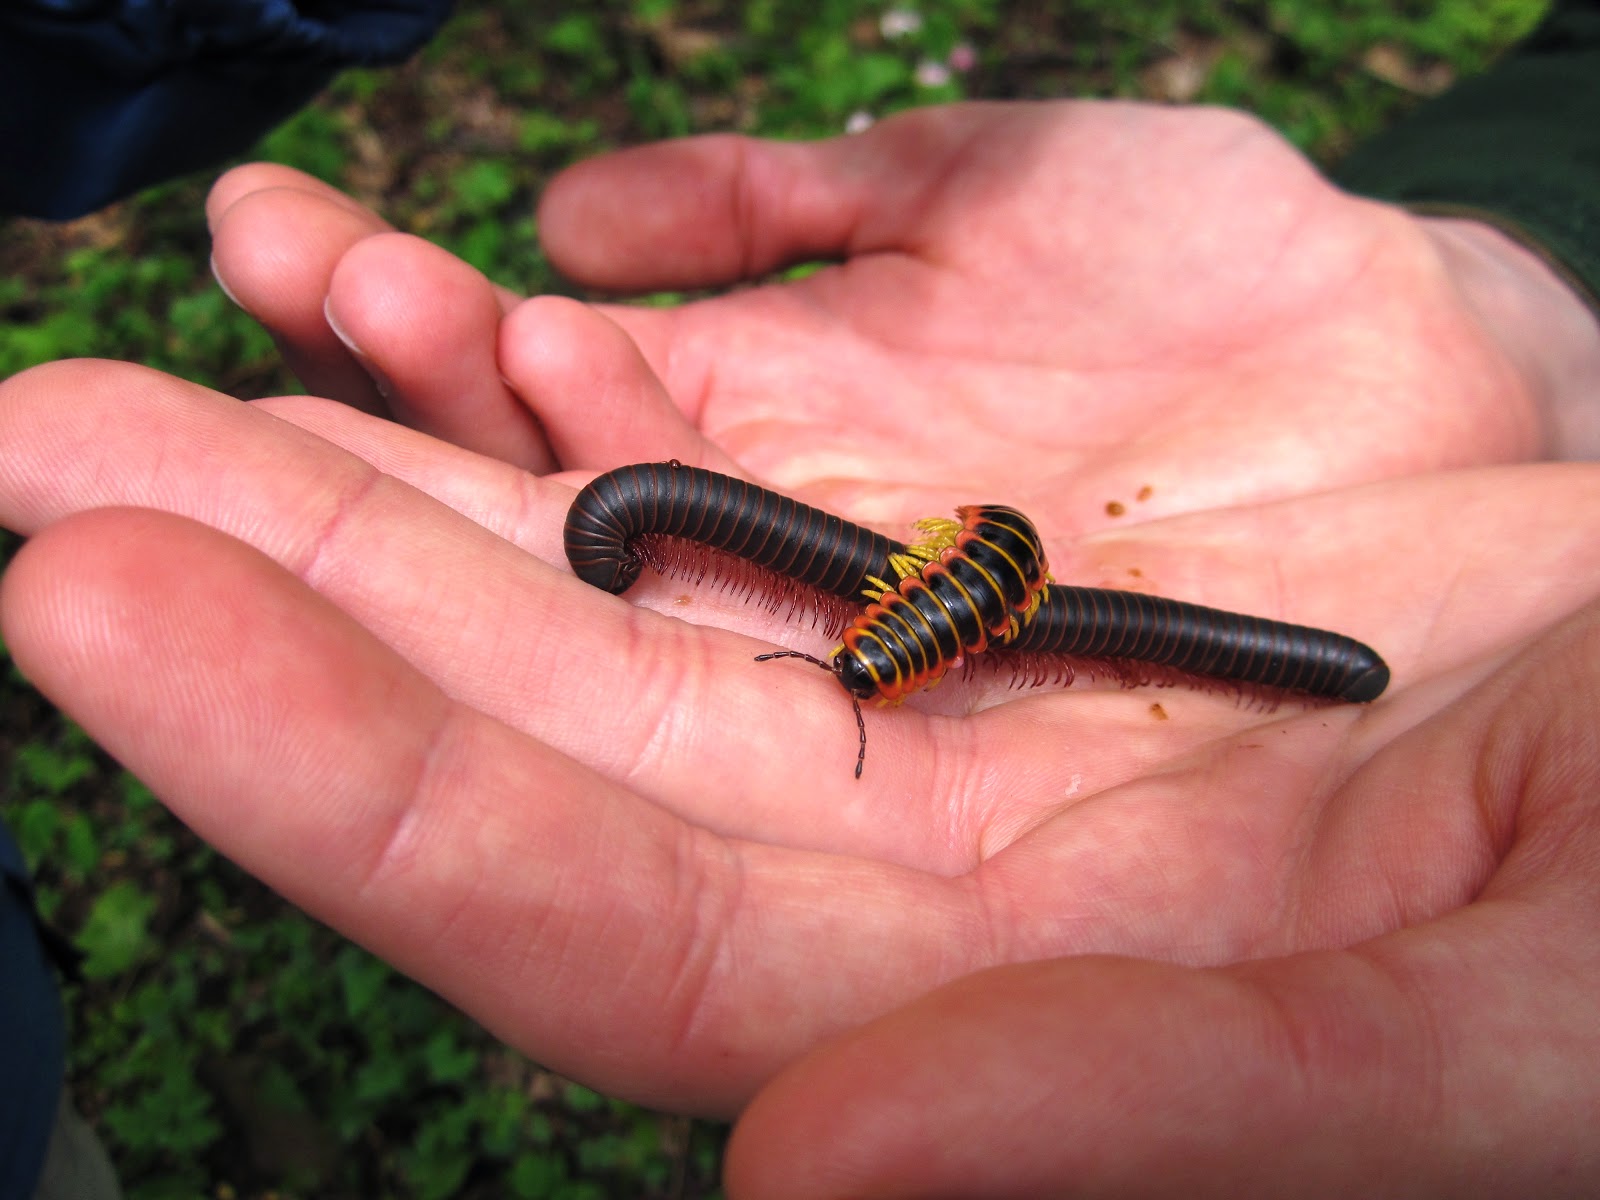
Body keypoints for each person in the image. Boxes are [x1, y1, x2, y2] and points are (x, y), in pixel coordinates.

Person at [5, 17, 1600, 1200]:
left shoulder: (931, 592)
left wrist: (1518, 306)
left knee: (1209, 654)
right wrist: (1520, 289)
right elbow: (646, 529)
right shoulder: (852, 581)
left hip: (1030, 596)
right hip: (949, 585)